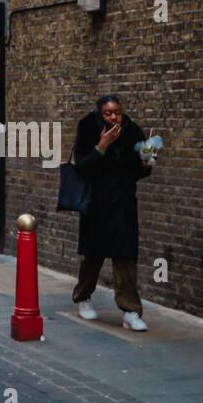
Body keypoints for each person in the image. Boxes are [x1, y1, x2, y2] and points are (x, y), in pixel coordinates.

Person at [72, 94, 153, 331]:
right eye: (108, 113)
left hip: (124, 203)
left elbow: (139, 171)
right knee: (92, 255)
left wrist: (147, 161)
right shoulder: (88, 127)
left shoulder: (132, 130)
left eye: (117, 112)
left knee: (126, 257)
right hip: (96, 203)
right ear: (100, 112)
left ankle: (131, 311)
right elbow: (82, 166)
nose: (114, 117)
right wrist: (102, 145)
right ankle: (82, 297)